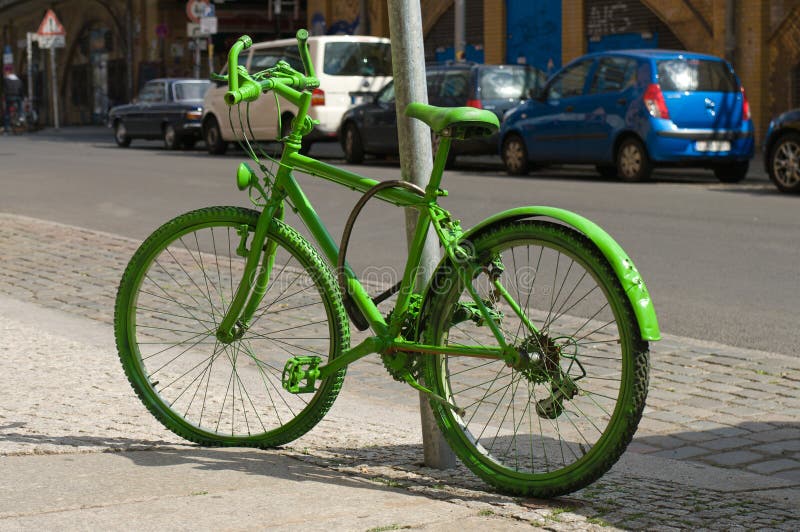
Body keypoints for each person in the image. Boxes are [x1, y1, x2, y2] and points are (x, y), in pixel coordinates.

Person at [3, 69, 24, 133]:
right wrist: (22, 97)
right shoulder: (19, 80)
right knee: (20, 106)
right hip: (18, 97)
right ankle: (21, 116)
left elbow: (5, 89)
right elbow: (21, 89)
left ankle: (7, 127)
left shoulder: (6, 80)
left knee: (7, 111)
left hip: (9, 97)